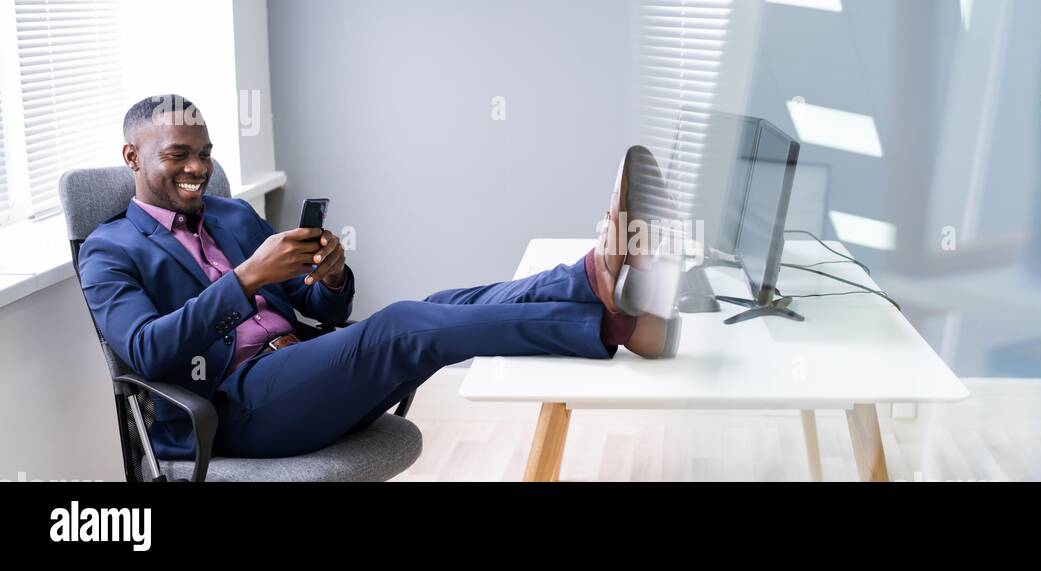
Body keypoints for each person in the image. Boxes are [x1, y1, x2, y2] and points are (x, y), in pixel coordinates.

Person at [78, 95, 677, 459]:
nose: (198, 167)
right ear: (132, 157)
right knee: (403, 325)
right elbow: (146, 353)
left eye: (204, 152)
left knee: (441, 302)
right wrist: (243, 279)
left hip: (301, 370)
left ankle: (588, 281)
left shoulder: (232, 214)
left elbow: (323, 312)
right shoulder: (109, 251)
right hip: (234, 408)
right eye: (178, 154)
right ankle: (610, 317)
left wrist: (330, 278)